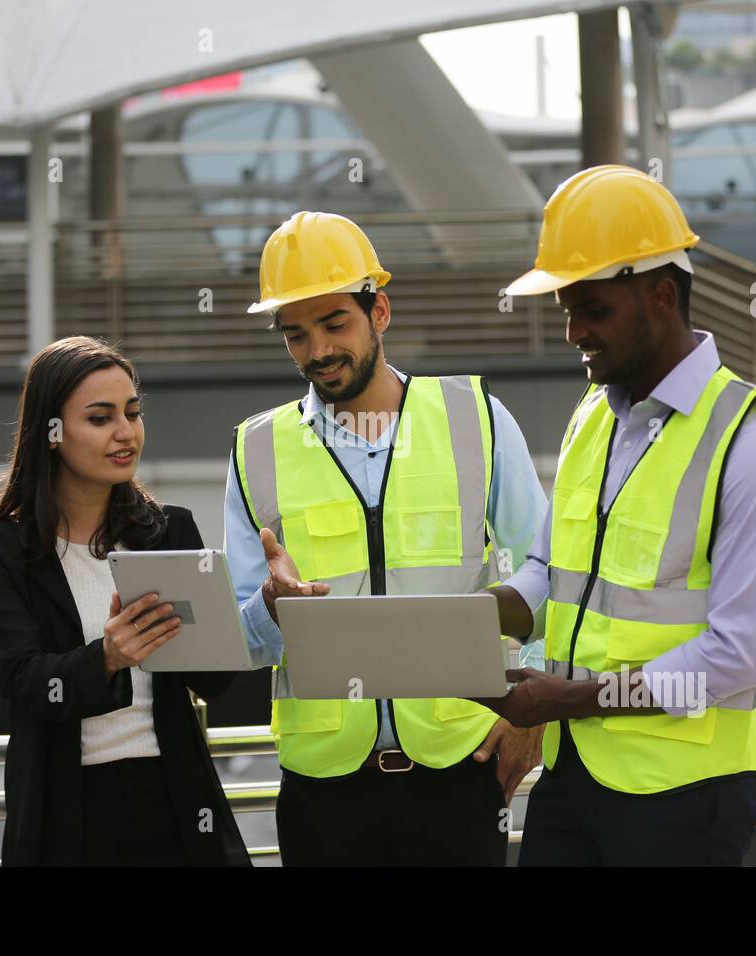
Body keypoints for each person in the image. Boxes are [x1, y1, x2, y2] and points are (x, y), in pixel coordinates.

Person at [482, 165, 756, 866]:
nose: (573, 331)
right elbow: (550, 573)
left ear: (661, 296)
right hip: (578, 775)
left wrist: (566, 699)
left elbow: (739, 655)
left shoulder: (753, 447)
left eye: (593, 310)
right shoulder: (590, 420)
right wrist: (471, 615)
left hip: (688, 796)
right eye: (567, 309)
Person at [224, 211, 549, 865]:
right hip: (323, 792)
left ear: (380, 312)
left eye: (334, 323)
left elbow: (548, 570)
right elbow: (240, 639)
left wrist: (532, 708)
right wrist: (269, 607)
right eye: (295, 334)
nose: (316, 351)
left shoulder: (475, 418)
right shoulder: (255, 449)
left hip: (461, 769)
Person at [0, 335, 249, 866]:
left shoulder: (169, 530)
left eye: (133, 412)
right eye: (100, 418)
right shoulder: (0, 552)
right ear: (51, 432)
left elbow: (215, 681)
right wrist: (108, 656)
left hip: (173, 794)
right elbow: (27, 684)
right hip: (65, 806)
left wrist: (256, 609)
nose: (126, 433)